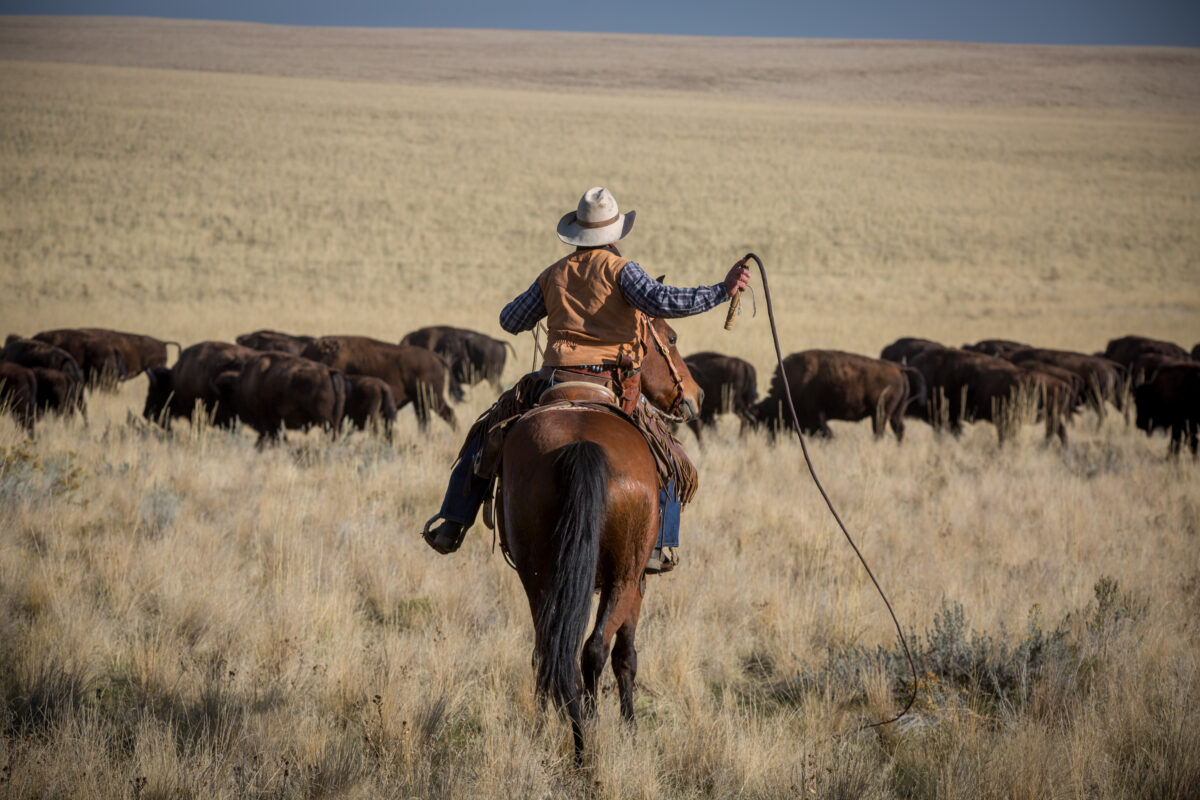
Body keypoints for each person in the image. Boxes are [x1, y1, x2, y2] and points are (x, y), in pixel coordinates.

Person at [422, 187, 750, 570]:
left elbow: (510, 320)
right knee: (665, 454)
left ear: (577, 233)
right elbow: (665, 302)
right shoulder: (623, 270)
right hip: (610, 383)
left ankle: (453, 522)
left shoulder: (555, 273)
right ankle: (661, 545)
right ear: (614, 234)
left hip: (555, 381)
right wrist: (722, 290)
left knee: (486, 432)